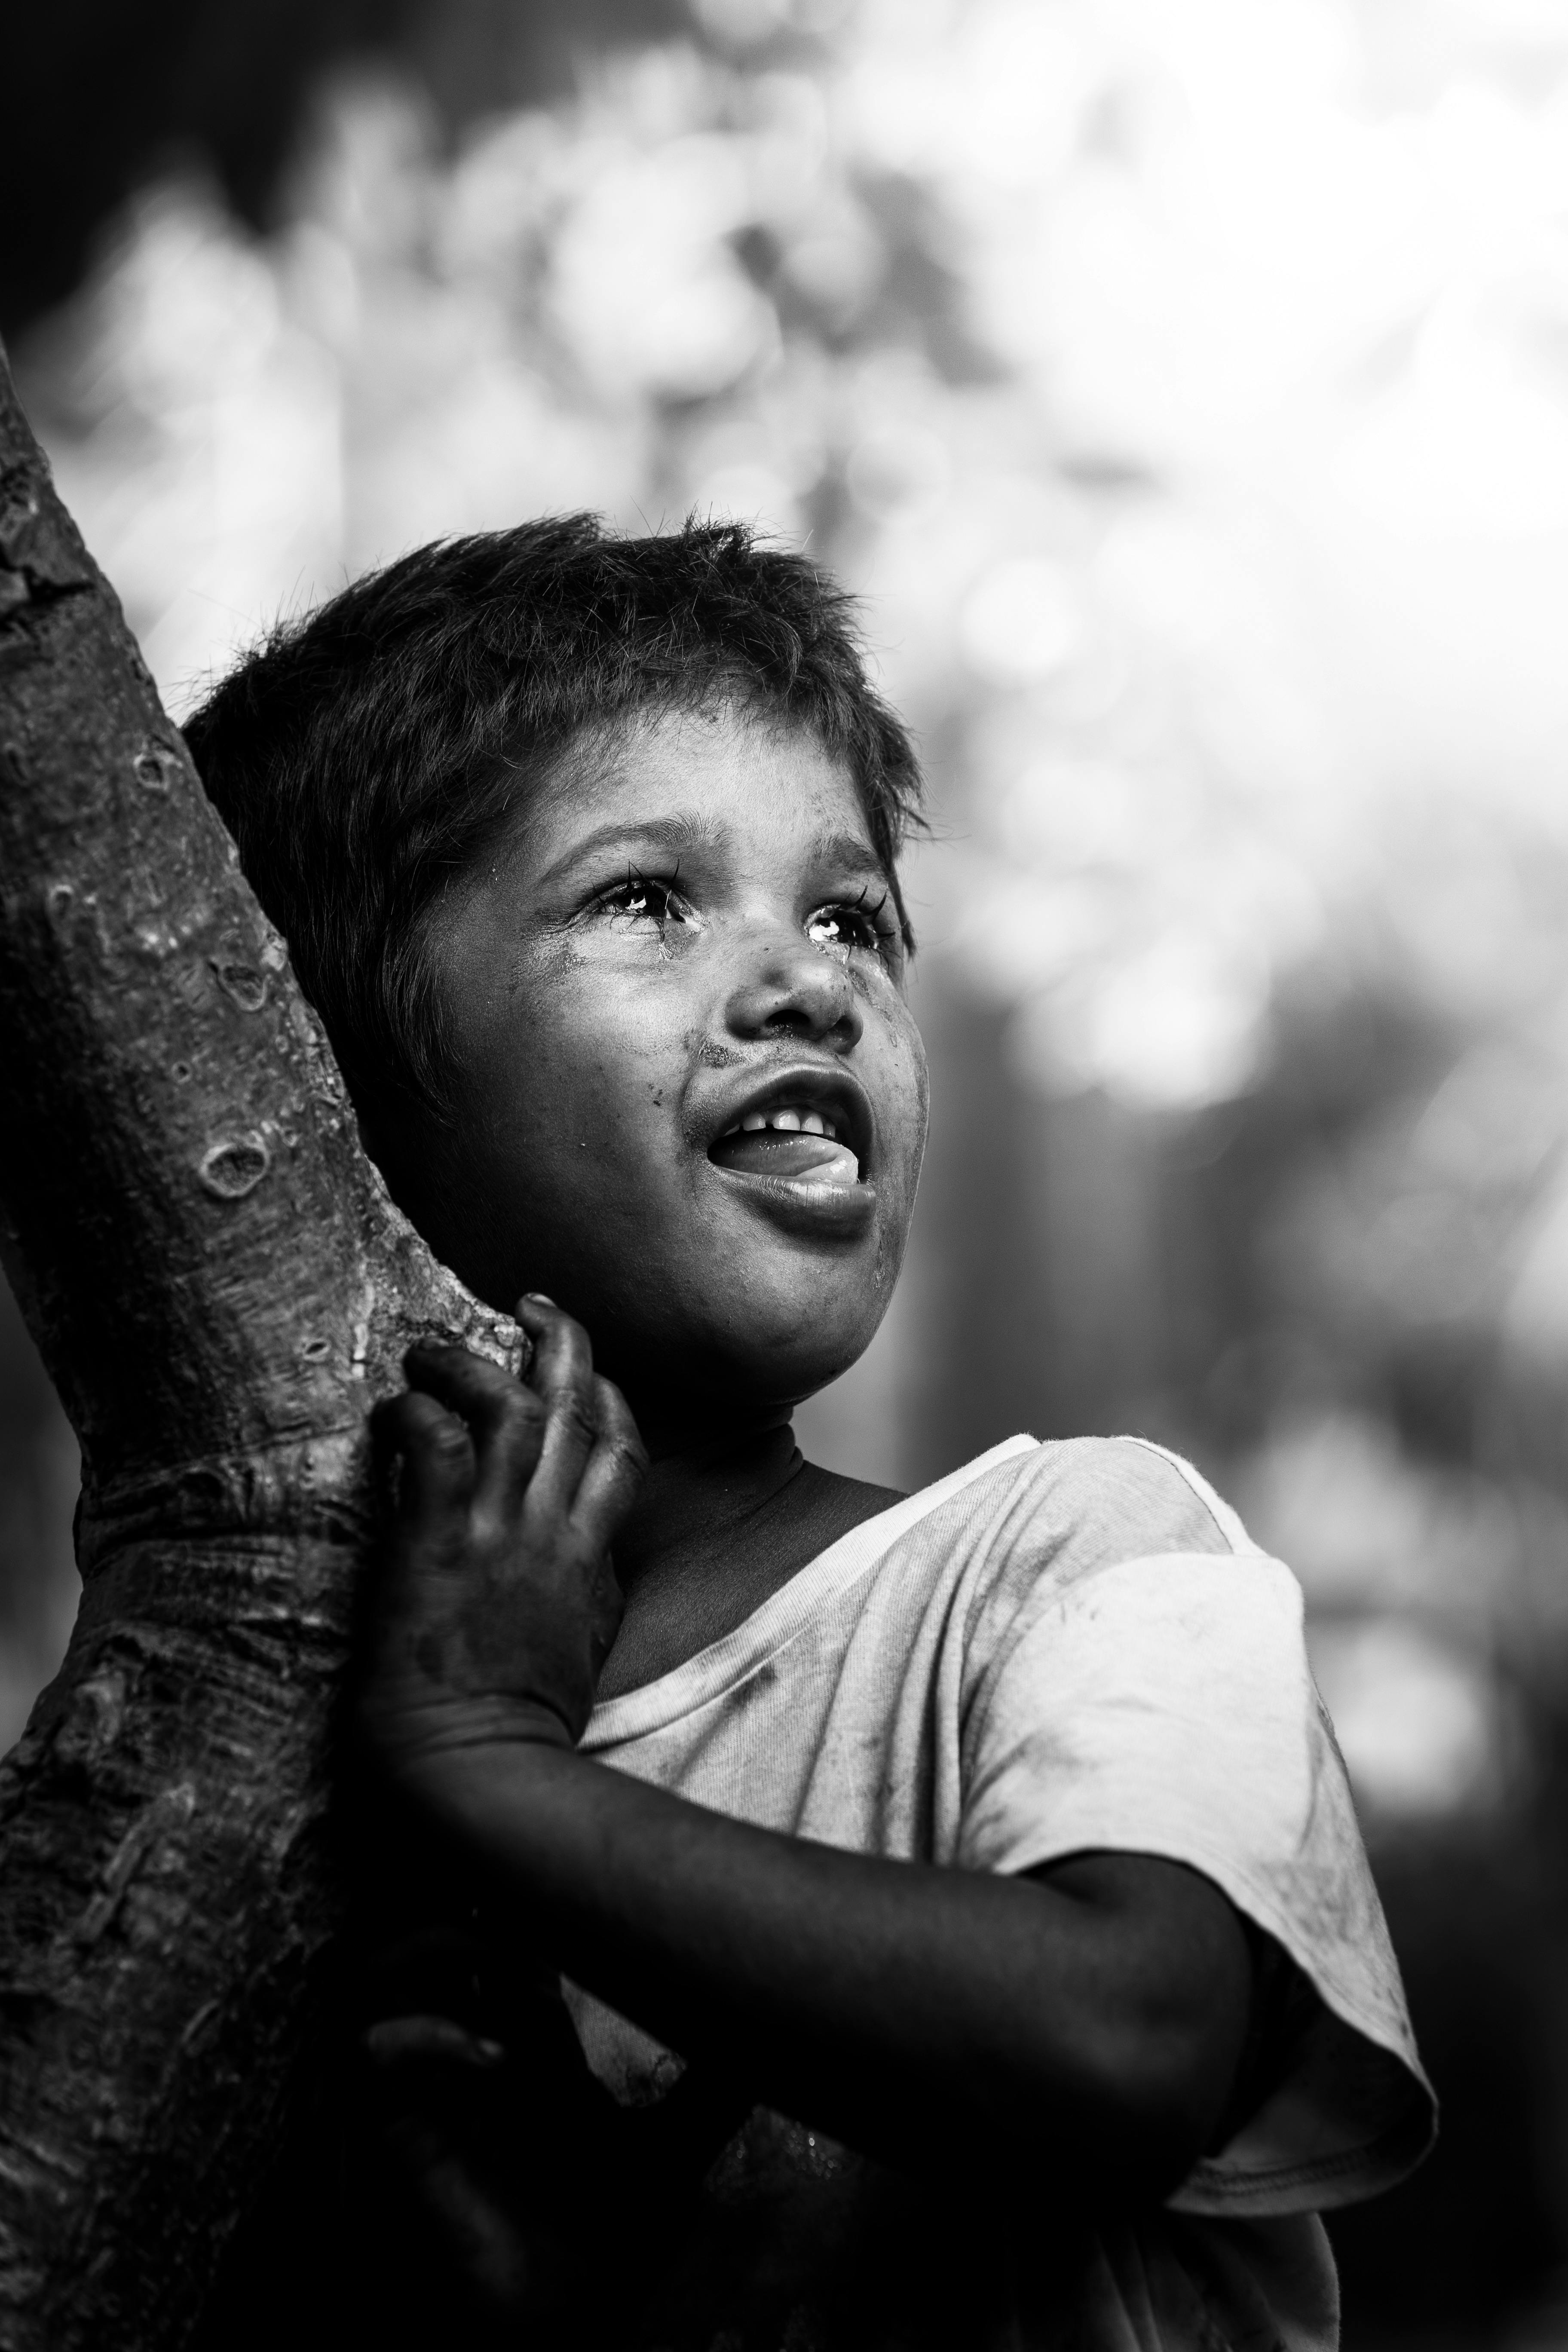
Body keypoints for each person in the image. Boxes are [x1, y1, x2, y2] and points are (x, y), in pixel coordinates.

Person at [184, 516, 1433, 2352]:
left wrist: (493, 1769)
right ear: (329, 1089)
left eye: (850, 916)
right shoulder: (244, 1715)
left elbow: (1132, 2039)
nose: (811, 980)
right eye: (645, 900)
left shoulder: (1069, 1559)